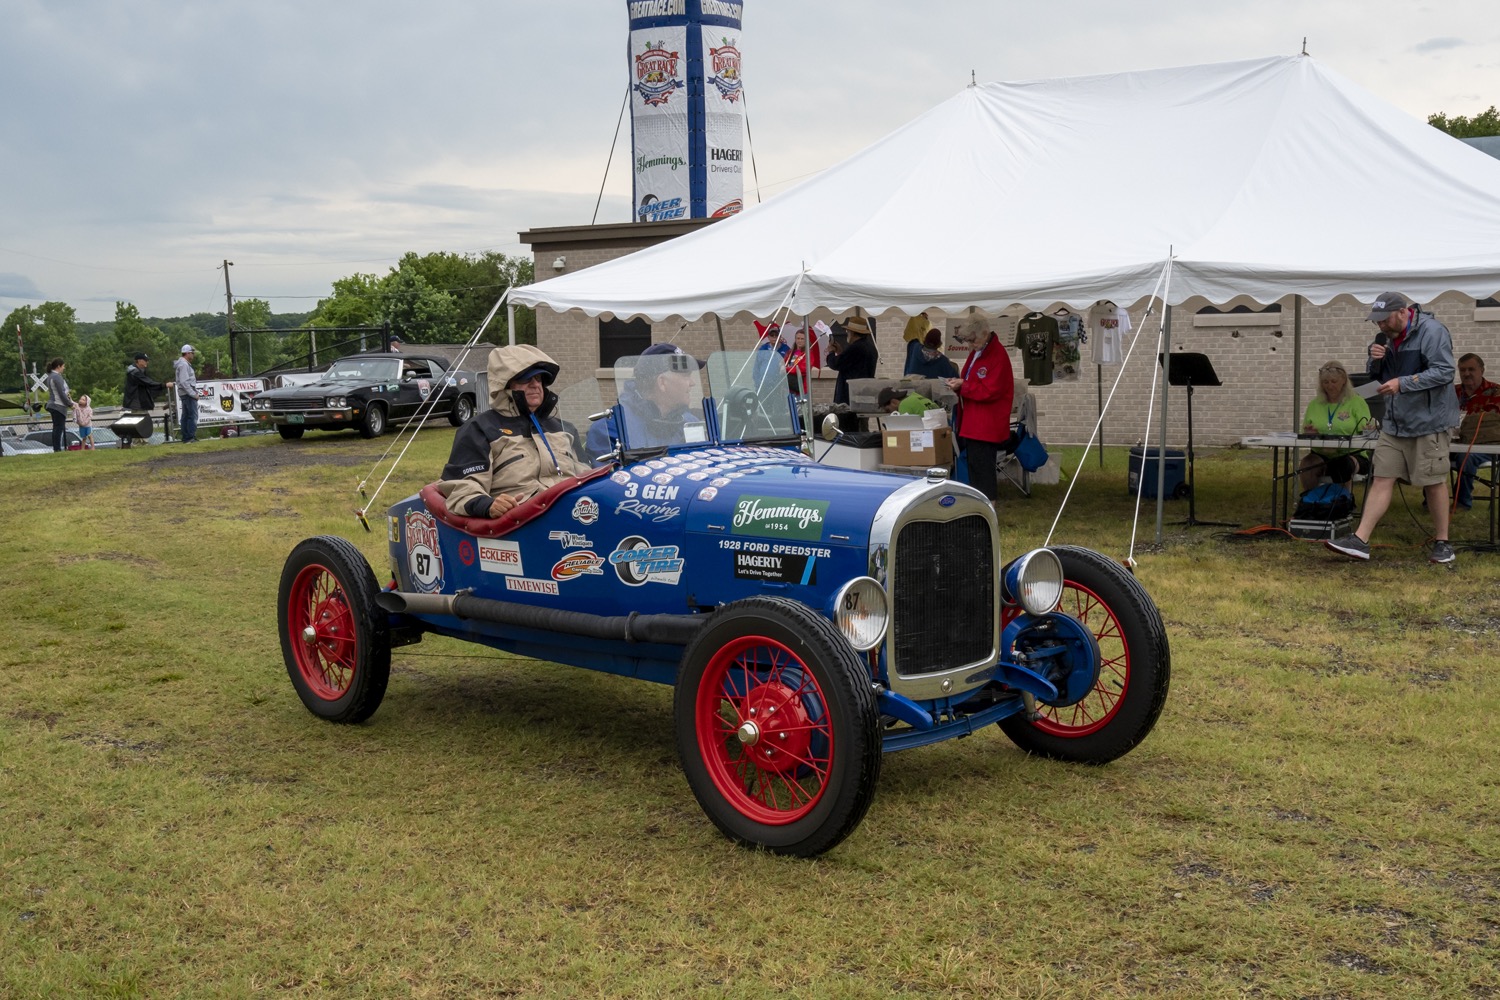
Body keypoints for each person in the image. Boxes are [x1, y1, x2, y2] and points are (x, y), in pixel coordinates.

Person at [1326, 292, 1460, 564]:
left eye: (1384, 320)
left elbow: (1445, 372)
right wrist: (1375, 360)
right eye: (1376, 322)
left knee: (1433, 482)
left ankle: (1443, 543)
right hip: (1395, 423)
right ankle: (1360, 541)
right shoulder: (1386, 338)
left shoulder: (1432, 332)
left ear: (1403, 312)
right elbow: (1379, 377)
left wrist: (1404, 383)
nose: (1381, 327)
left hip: (1429, 423)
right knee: (1382, 478)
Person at [435, 345, 590, 519]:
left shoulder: (564, 428)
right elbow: (462, 487)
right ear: (504, 385)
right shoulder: (480, 428)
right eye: (526, 379)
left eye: (539, 378)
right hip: (520, 524)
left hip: (574, 515)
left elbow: (589, 478)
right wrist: (489, 505)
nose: (535, 385)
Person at [585, 343, 706, 457]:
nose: (692, 383)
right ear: (662, 382)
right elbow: (610, 477)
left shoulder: (690, 423)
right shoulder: (610, 429)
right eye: (686, 376)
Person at [944, 313, 1015, 503]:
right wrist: (959, 384)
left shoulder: (997, 355)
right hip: (974, 422)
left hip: (986, 424)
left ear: (984, 333)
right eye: (968, 341)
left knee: (983, 469)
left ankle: (988, 507)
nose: (970, 345)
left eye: (973, 340)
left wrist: (963, 386)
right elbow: (970, 379)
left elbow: (991, 390)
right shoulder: (978, 353)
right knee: (975, 466)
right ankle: (980, 505)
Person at [1297, 360, 1371, 491]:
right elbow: (1305, 431)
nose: (1330, 386)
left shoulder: (1356, 402)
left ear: (1343, 380)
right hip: (1322, 454)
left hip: (1352, 454)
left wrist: (1370, 429)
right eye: (1325, 382)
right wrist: (1310, 433)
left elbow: (1367, 432)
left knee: (1342, 465)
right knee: (1307, 464)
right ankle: (1311, 502)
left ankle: (1343, 503)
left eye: (1334, 381)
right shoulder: (1315, 404)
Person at [1452, 353, 1500, 510]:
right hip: (1452, 443)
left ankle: (1461, 502)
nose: (1466, 373)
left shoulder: (1496, 392)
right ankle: (1431, 502)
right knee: (1429, 454)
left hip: (1485, 445)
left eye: (1471, 369)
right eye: (1462, 370)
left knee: (1466, 457)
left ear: (1482, 370)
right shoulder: (1452, 392)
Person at [826, 316, 877, 405]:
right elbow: (850, 363)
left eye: (848, 331)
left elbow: (836, 364)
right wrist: (840, 352)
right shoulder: (871, 347)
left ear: (852, 333)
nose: (846, 333)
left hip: (850, 395)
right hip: (865, 393)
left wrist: (831, 352)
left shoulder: (855, 347)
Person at [121, 353, 166, 449]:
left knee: (142, 421)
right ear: (139, 361)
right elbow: (148, 382)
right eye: (145, 360)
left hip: (140, 401)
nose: (147, 362)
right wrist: (163, 385)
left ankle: (142, 442)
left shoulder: (138, 371)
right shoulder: (135, 372)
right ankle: (138, 443)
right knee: (139, 421)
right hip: (137, 402)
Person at [44, 358, 73, 452]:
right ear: (58, 366)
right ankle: (57, 449)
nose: (64, 368)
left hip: (53, 405)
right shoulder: (56, 377)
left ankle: (56, 448)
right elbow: (62, 393)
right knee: (58, 429)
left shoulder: (50, 376)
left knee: (56, 428)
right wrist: (70, 404)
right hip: (58, 406)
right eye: (63, 366)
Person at [174, 344, 199, 443]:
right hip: (188, 394)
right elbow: (184, 382)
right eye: (192, 353)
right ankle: (190, 437)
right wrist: (193, 394)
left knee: (185, 416)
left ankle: (186, 437)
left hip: (184, 394)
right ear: (187, 353)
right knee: (192, 416)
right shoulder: (184, 364)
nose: (193, 355)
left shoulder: (181, 363)